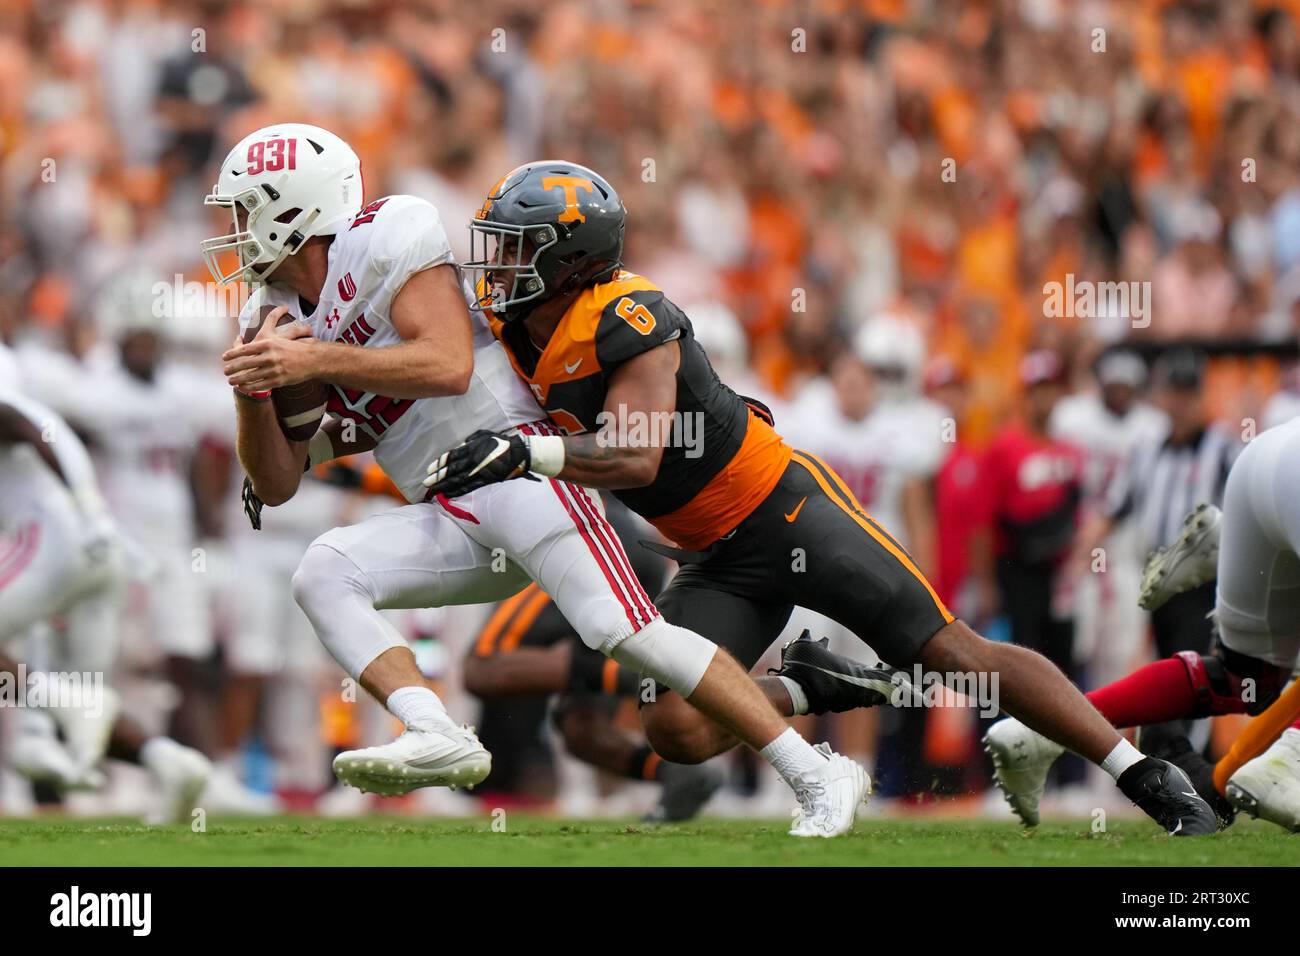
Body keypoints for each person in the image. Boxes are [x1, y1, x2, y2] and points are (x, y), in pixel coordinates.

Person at [424, 159, 1217, 835]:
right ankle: (817, 685)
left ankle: (1140, 773)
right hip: (713, 556)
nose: (497, 263)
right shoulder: (517, 326)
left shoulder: (626, 316)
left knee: (951, 652)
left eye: (517, 248)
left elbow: (636, 454)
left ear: (570, 260)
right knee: (672, 723)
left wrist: (528, 451)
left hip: (784, 509)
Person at [212, 124, 864, 837]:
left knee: (626, 632)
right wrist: (253, 390)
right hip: (449, 504)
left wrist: (311, 366)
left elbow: (446, 365)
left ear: (293, 208)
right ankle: (435, 729)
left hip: (518, 463)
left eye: (245, 210)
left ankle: (815, 771)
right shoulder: (267, 315)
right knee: (323, 570)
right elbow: (276, 482)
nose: (235, 230)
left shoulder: (388, 233)